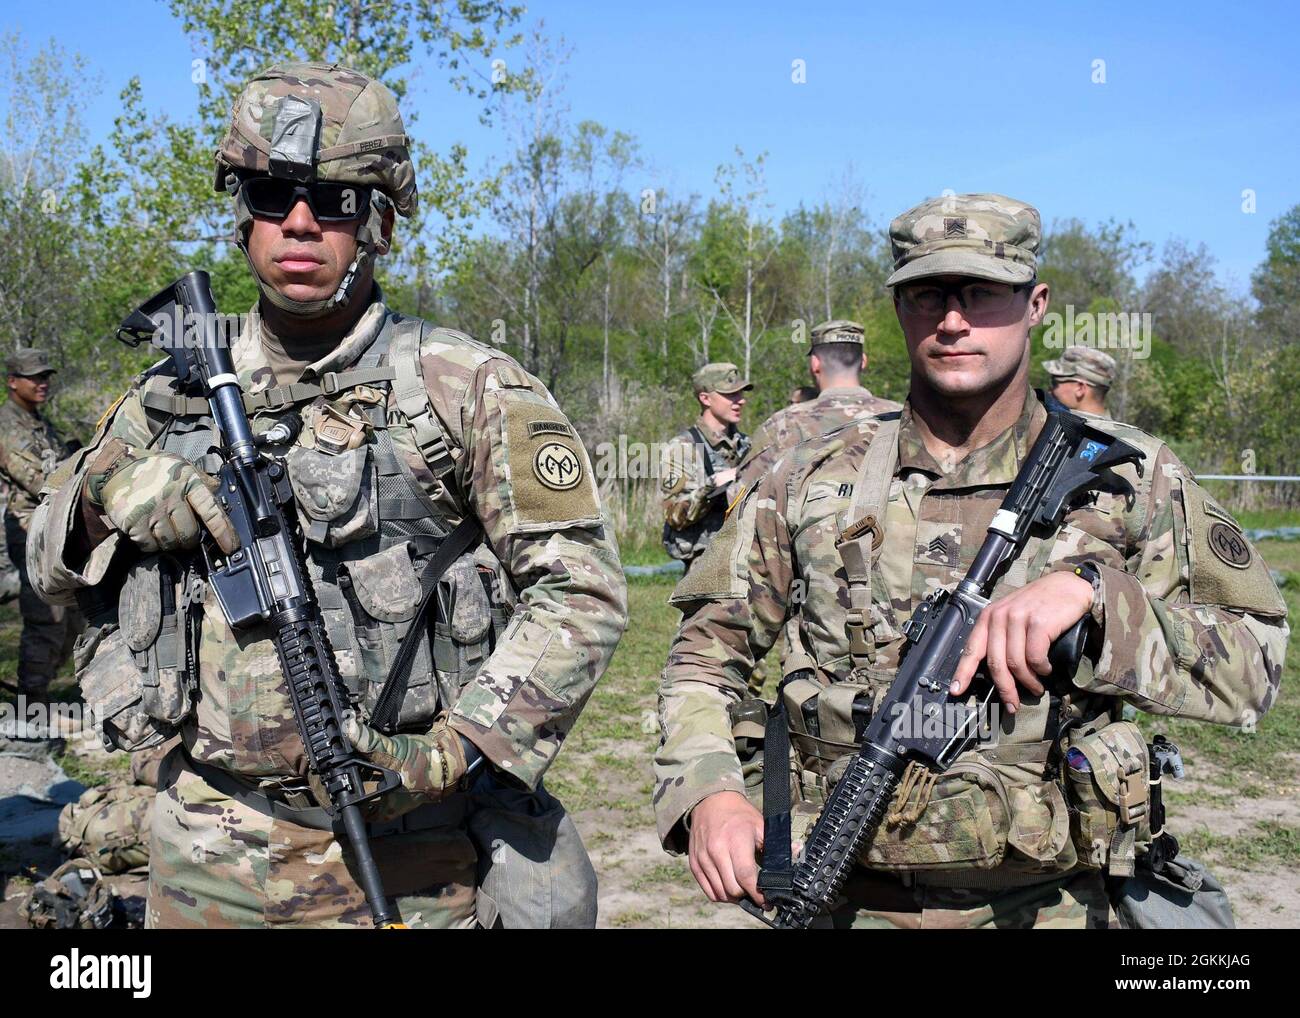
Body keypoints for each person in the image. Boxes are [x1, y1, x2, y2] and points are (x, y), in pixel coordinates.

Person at [29, 62, 627, 929]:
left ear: (380, 220)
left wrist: (455, 752)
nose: (300, 223)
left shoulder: (461, 387)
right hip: (202, 853)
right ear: (242, 213)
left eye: (336, 201)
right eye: (273, 195)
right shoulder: (167, 395)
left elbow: (584, 590)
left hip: (406, 858)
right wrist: (103, 493)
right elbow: (48, 563)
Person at [653, 192, 1288, 929]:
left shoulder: (1128, 475)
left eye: (982, 293)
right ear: (899, 309)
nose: (953, 320)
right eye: (929, 295)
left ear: (1035, 303)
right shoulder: (805, 478)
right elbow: (703, 658)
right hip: (842, 898)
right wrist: (710, 792)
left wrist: (1094, 600)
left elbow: (1258, 663)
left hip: (1054, 902)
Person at [0, 349, 80, 702]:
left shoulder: (41, 423)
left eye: (45, 376)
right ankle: (30, 706)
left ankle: (40, 691)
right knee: (47, 619)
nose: (42, 383)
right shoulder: (6, 425)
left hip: (56, 529)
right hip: (30, 533)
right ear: (12, 381)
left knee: (73, 621)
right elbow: (36, 479)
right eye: (34, 377)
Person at [737, 320, 898, 493]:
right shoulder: (902, 417)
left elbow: (739, 498)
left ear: (815, 364)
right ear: (864, 361)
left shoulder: (781, 426)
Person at [660, 363, 751, 573]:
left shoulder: (747, 445)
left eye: (740, 393)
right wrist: (713, 486)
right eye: (730, 394)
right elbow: (674, 516)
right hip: (704, 569)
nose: (740, 400)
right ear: (705, 398)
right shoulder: (683, 448)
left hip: (746, 562)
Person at [1043, 346, 1116, 417]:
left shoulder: (1068, 426)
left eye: (1054, 383)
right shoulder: (1061, 421)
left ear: (1080, 388)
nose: (1049, 391)